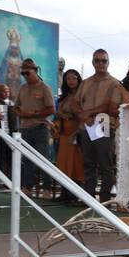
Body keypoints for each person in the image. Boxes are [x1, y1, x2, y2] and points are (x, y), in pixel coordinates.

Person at [74, 49, 128, 202]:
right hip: (86, 128)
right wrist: (82, 115)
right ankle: (89, 200)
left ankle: (104, 201)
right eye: (97, 60)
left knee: (106, 166)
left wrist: (88, 113)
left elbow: (110, 106)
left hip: (104, 127)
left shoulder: (115, 84)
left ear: (108, 62)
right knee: (88, 164)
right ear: (93, 62)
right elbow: (75, 103)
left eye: (103, 60)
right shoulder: (85, 83)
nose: (100, 64)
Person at [14, 58, 54, 196]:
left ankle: (47, 188)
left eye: (27, 73)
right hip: (25, 127)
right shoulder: (23, 88)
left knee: (43, 158)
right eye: (23, 73)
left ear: (36, 71)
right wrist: (21, 113)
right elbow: (16, 107)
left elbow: (51, 109)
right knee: (26, 158)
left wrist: (34, 114)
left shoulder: (44, 88)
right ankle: (27, 187)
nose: (25, 76)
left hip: (40, 127)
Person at [54, 68, 84, 201]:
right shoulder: (63, 97)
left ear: (78, 79)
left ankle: (74, 195)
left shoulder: (83, 96)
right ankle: (64, 193)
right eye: (68, 79)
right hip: (63, 133)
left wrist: (69, 116)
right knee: (63, 163)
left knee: (76, 164)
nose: (71, 81)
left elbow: (83, 114)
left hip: (77, 133)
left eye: (74, 78)